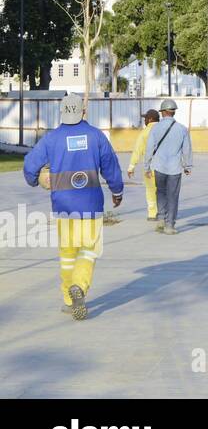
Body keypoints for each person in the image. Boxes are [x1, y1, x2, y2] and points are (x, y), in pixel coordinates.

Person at [22, 93, 124, 320]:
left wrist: (34, 179)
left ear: (62, 112)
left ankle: (69, 300)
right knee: (88, 249)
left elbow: (30, 164)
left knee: (67, 254)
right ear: (83, 112)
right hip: (90, 204)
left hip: (63, 206)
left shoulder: (52, 138)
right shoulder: (96, 136)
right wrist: (117, 191)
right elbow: (110, 165)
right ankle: (79, 285)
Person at [145, 98, 192, 234]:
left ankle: (160, 219)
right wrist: (187, 166)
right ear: (173, 112)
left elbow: (149, 148)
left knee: (160, 192)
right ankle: (169, 225)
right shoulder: (182, 129)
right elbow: (187, 149)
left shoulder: (155, 128)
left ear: (163, 112)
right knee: (173, 195)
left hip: (159, 167)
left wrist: (147, 166)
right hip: (175, 169)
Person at [126, 108, 161, 221]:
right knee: (164, 190)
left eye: (145, 118)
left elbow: (138, 150)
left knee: (151, 190)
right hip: (166, 167)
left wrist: (131, 166)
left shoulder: (145, 132)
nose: (144, 120)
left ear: (150, 119)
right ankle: (165, 212)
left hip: (150, 168)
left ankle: (152, 214)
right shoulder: (164, 129)